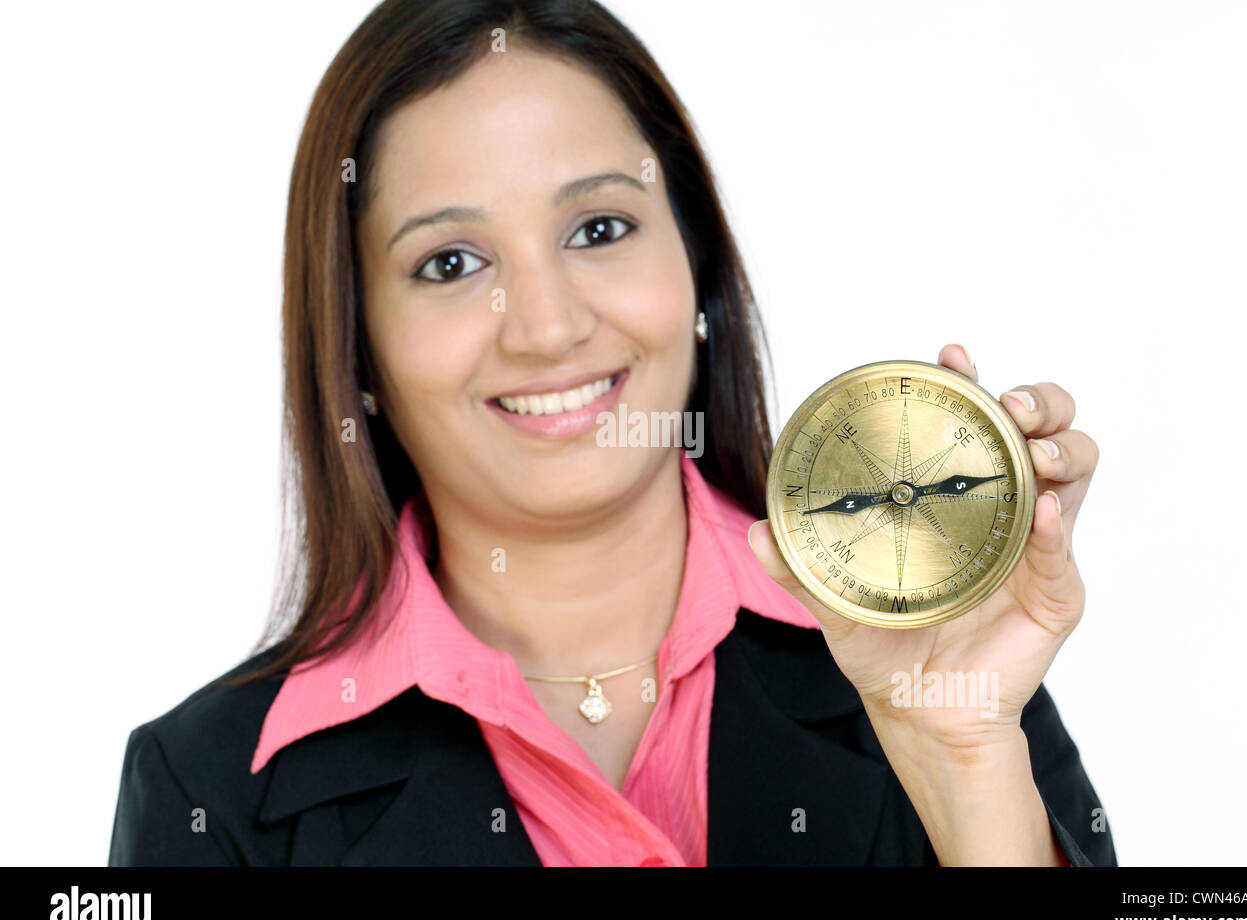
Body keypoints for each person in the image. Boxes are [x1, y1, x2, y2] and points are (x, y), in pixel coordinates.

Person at [108, 0, 1115, 867]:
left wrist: (963, 762)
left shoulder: (930, 653)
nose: (547, 325)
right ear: (359, 345)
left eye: (598, 229)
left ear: (699, 267)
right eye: (452, 262)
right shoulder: (211, 789)